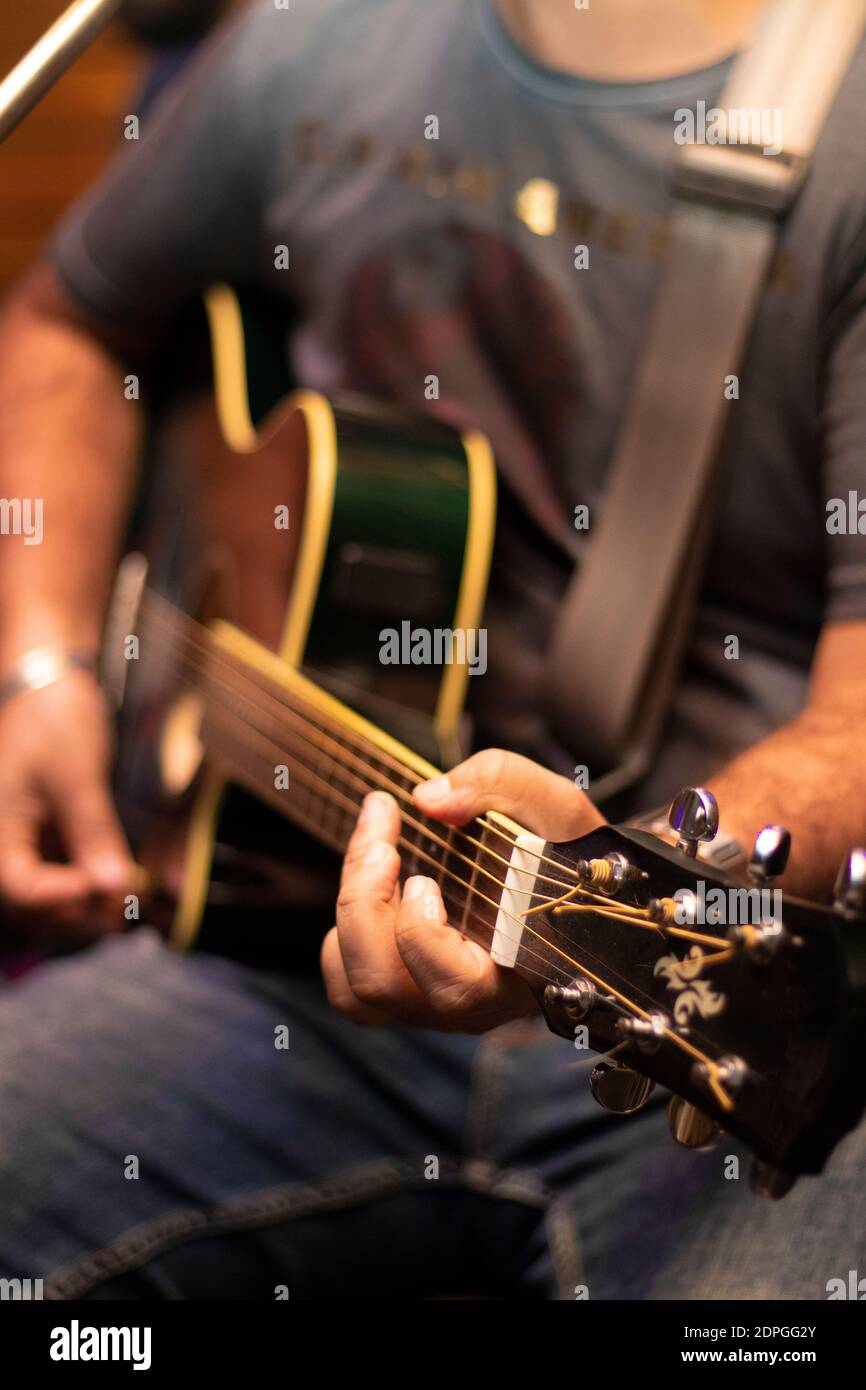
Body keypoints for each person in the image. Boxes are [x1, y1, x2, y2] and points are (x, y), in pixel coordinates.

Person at [0, 0, 865, 1299]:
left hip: (704, 992)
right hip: (288, 950)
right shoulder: (318, 34)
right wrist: (48, 662)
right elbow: (67, 323)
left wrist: (608, 875)